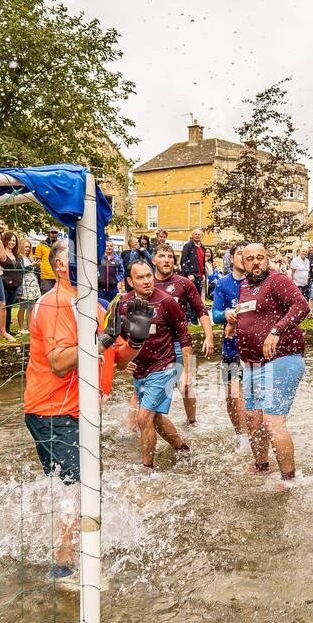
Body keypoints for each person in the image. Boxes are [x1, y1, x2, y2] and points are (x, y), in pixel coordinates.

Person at [24, 238, 144, 587]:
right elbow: (60, 363)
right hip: (52, 408)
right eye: (79, 257)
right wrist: (104, 340)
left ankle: (74, 548)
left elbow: (118, 362)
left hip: (81, 410)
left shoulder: (97, 304)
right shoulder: (55, 304)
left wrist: (134, 340)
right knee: (78, 486)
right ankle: (65, 567)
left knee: (77, 484)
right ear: (61, 265)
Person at [231, 243, 309, 480]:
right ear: (242, 263)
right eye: (250, 259)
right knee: (253, 419)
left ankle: (288, 479)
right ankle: (261, 466)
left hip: (282, 358)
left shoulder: (277, 280)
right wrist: (233, 323)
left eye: (260, 258)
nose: (256, 262)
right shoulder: (244, 286)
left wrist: (276, 330)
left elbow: (301, 306)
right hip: (253, 363)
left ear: (268, 259)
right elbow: (254, 315)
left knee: (272, 420)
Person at [120, 258, 192, 467]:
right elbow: (118, 337)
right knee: (155, 419)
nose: (146, 281)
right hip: (140, 370)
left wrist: (186, 372)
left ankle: (146, 469)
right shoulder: (123, 303)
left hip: (165, 367)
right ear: (130, 281)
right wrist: (124, 360)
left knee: (143, 418)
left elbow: (185, 337)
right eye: (140, 277)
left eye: (149, 276)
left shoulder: (167, 302)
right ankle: (181, 447)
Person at [152, 244, 213, 424]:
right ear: (154, 259)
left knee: (186, 385)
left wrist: (208, 336)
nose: (167, 260)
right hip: (154, 345)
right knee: (143, 387)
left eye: (170, 256)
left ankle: (191, 422)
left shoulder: (184, 283)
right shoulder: (147, 283)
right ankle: (140, 425)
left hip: (182, 343)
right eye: (162, 256)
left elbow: (201, 310)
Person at [210, 241, 249, 451]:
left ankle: (245, 438)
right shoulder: (223, 284)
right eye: (241, 254)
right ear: (232, 258)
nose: (244, 258)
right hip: (229, 346)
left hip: (250, 347)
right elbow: (215, 314)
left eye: (248, 255)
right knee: (229, 397)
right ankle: (239, 433)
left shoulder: (255, 282)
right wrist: (225, 314)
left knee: (239, 392)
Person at [179, 229, 207, 311]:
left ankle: (195, 319)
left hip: (200, 277)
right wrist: (188, 274)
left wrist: (204, 275)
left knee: (197, 299)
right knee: (189, 298)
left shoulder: (202, 247)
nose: (197, 236)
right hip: (191, 276)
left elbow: (203, 263)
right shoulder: (188, 246)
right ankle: (189, 318)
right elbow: (183, 261)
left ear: (201, 236)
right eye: (196, 234)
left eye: (199, 234)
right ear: (192, 235)